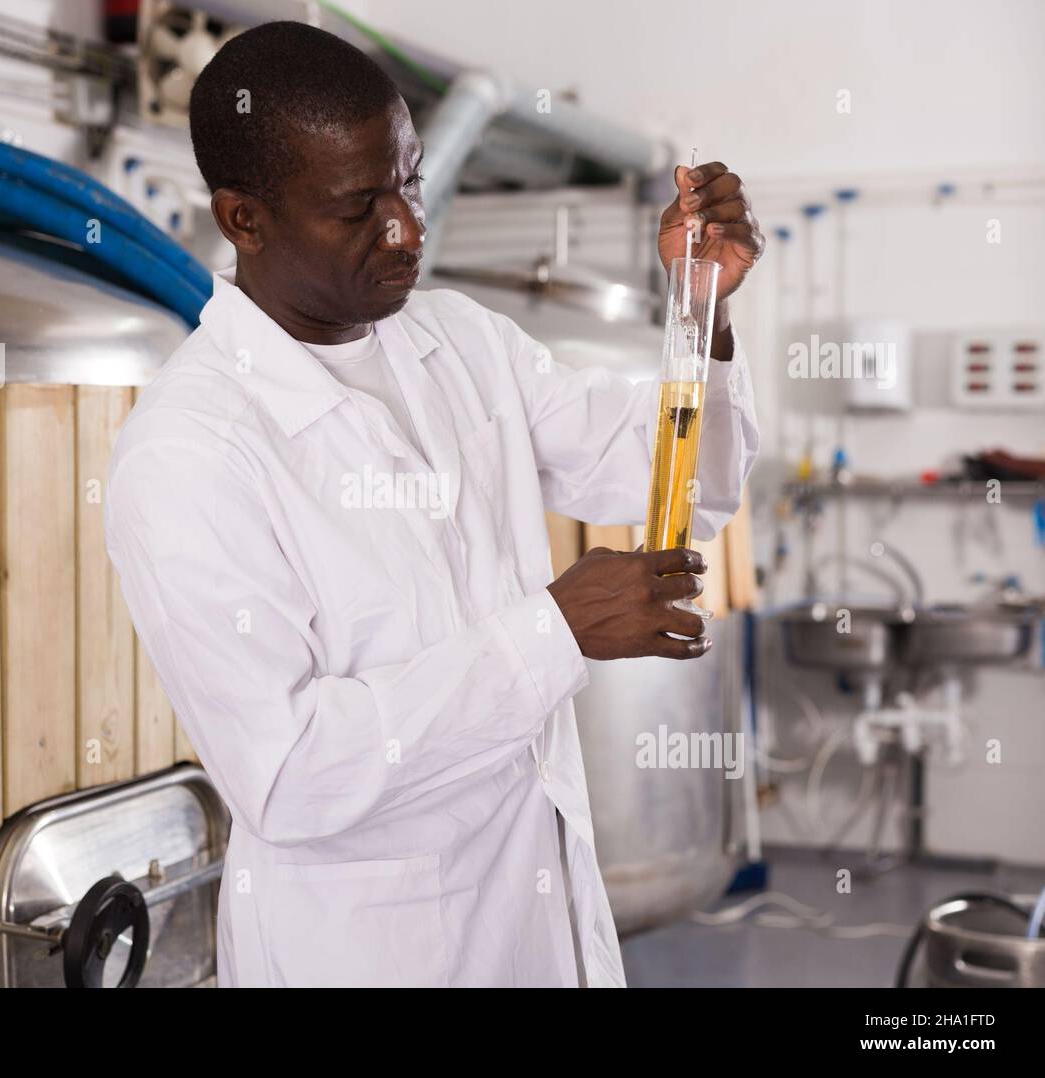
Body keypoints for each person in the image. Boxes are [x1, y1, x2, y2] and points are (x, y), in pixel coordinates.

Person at [106, 20, 762, 987]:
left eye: (409, 182)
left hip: (540, 923)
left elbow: (682, 484)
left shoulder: (459, 341)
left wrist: (701, 307)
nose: (408, 228)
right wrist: (552, 633)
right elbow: (288, 774)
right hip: (368, 953)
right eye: (359, 206)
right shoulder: (190, 451)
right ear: (245, 220)